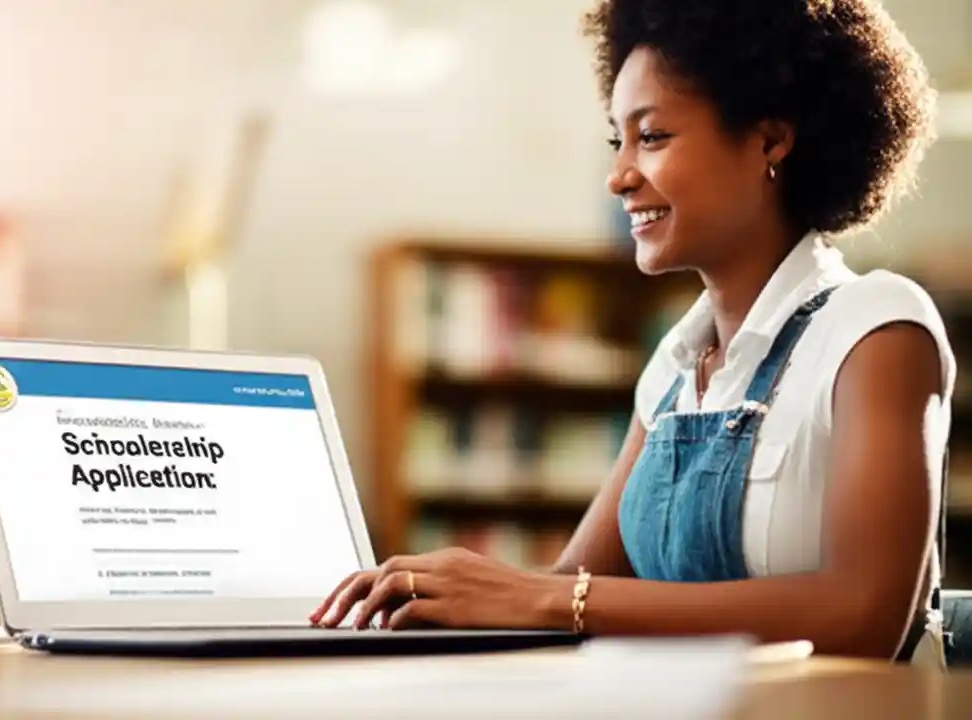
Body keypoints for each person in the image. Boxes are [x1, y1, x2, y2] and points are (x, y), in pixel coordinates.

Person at [310, 0, 959, 665]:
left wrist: (548, 599)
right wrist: (436, 594)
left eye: (651, 137)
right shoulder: (673, 371)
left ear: (770, 140)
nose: (619, 176)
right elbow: (566, 589)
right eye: (616, 141)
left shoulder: (876, 327)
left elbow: (864, 615)